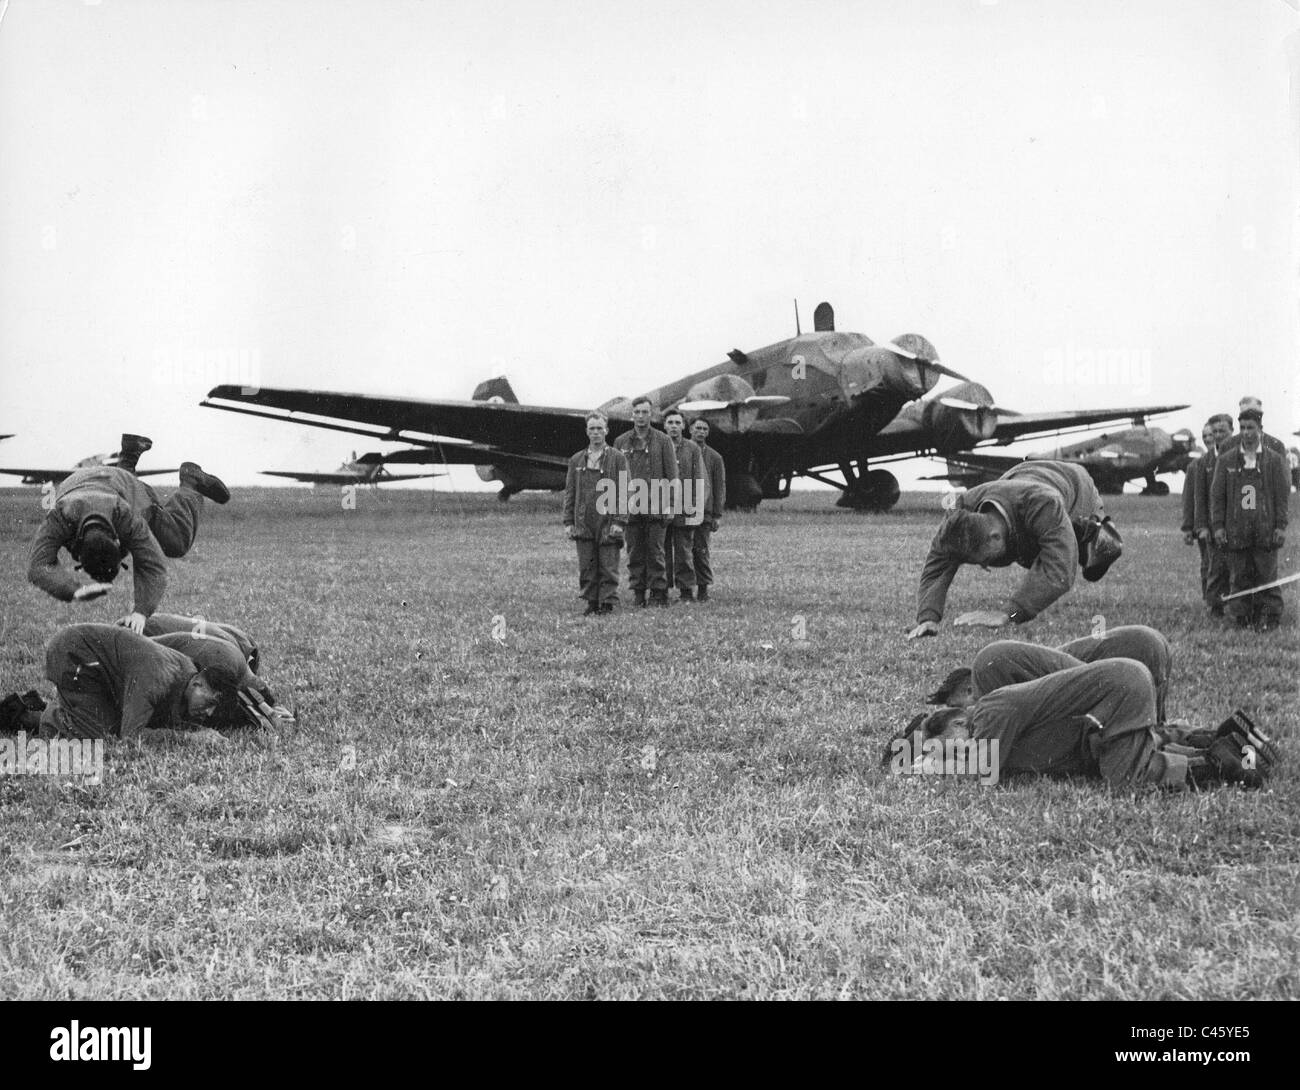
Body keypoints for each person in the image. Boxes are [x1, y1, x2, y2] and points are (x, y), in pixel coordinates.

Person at [886, 626, 1277, 789]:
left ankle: (1213, 765)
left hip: (1126, 681)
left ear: (959, 718)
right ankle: (1215, 742)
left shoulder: (991, 713)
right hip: (1124, 684)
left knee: (1128, 775)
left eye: (943, 742)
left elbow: (979, 770)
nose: (948, 751)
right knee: (1123, 747)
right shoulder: (1008, 713)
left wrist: (922, 765)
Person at [906, 460, 1122, 638]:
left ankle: (1092, 532)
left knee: (1100, 552)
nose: (983, 566)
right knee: (1032, 550)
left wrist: (1008, 613)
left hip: (1074, 486)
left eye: (982, 560)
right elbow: (938, 562)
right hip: (1021, 476)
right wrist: (928, 617)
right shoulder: (960, 511)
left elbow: (1059, 570)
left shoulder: (1043, 504)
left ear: (995, 536)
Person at [27, 459, 230, 632]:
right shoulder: (60, 515)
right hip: (90, 482)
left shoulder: (127, 515)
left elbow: (152, 563)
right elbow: (37, 566)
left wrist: (141, 612)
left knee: (176, 543)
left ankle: (190, 482)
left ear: (119, 540)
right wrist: (71, 590)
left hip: (124, 486)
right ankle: (128, 459)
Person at [36, 623, 237, 744]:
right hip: (74, 654)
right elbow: (131, 736)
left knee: (117, 720)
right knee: (103, 737)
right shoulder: (157, 678)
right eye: (211, 703)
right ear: (198, 683)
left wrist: (201, 731)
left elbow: (167, 718)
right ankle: (46, 716)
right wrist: (190, 738)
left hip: (101, 670)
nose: (209, 713)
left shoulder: (186, 671)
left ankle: (71, 709)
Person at [1210, 407, 1289, 630]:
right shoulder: (1227, 460)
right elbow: (1217, 496)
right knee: (1239, 577)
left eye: (1251, 428)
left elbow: (1282, 496)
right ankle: (1241, 619)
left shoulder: (1273, 460)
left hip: (1265, 529)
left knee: (1267, 576)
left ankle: (1271, 618)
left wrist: (1280, 526)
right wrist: (1218, 526)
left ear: (1260, 430)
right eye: (1243, 428)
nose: (1246, 433)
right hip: (1237, 529)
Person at [613, 397, 678, 607]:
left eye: (645, 412)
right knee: (634, 552)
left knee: (656, 551)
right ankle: (639, 593)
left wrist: (670, 506)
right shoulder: (621, 442)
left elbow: (672, 476)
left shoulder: (663, 440)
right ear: (632, 414)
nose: (641, 416)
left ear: (652, 414)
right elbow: (617, 478)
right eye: (637, 412)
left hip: (657, 505)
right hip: (631, 506)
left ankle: (659, 593)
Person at [563, 412, 628, 615]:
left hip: (608, 518)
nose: (596, 432)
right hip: (584, 519)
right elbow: (570, 491)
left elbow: (625, 490)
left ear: (606, 430)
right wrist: (568, 521)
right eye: (592, 428)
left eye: (600, 428)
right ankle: (591, 601)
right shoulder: (576, 460)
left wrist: (620, 521)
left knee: (608, 563)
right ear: (587, 432)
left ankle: (607, 602)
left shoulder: (618, 458)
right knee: (587, 564)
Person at [1183, 414, 1233, 616]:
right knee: (1212, 566)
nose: (1212, 437)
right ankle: (1213, 605)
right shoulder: (1201, 464)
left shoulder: (1239, 457)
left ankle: (1236, 604)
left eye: (1219, 432)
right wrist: (1196, 526)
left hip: (1235, 524)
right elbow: (1195, 499)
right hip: (1212, 526)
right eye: (1211, 433)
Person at [662, 410, 705, 602]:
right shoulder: (658, 446)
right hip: (661, 504)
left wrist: (697, 506)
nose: (673, 426)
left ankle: (686, 591)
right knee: (660, 551)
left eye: (677, 422)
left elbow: (699, 478)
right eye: (669, 422)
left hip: (685, 505)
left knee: (684, 550)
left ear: (683, 426)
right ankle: (661, 590)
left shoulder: (693, 448)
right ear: (664, 425)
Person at [690, 418, 726, 601]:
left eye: (704, 429)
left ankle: (703, 590)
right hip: (682, 511)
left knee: (701, 551)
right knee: (682, 552)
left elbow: (719, 486)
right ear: (690, 429)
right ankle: (685, 591)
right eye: (698, 428)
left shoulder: (715, 457)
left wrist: (717, 514)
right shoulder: (677, 452)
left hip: (704, 512)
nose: (701, 432)